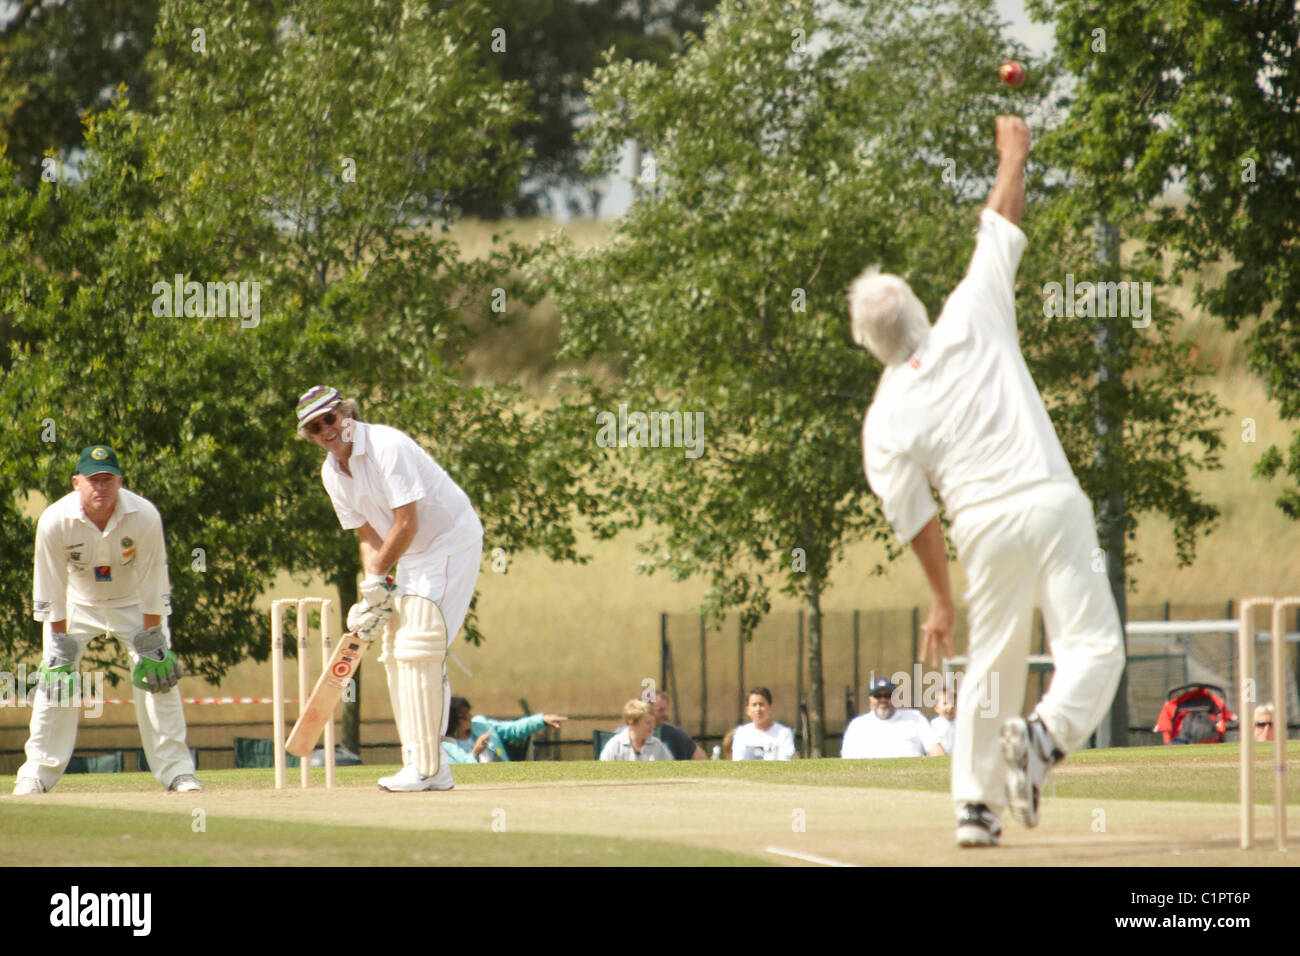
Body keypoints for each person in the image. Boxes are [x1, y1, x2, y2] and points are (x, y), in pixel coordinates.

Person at [851, 115, 1125, 847]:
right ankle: (1046, 735)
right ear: (916, 304)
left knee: (992, 663)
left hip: (983, 527)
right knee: (1095, 649)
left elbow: (915, 520)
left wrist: (941, 599)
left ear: (866, 345)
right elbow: (1000, 222)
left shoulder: (885, 418)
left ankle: (976, 810)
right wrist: (1015, 153)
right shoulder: (973, 308)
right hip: (1053, 500)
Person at [298, 385, 483, 792]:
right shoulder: (332, 473)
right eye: (314, 427)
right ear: (309, 435)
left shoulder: (387, 445)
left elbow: (406, 523)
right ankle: (423, 765)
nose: (326, 430)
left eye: (330, 419)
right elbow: (367, 534)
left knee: (421, 647)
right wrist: (374, 587)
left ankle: (429, 767)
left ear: (346, 413)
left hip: (450, 540)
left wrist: (377, 577)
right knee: (397, 653)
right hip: (415, 555)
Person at [14, 445, 200, 794]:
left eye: (108, 480)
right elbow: (50, 586)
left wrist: (151, 640)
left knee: (160, 679)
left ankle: (178, 772)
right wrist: (59, 648)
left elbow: (154, 579)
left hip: (133, 603)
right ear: (76, 483)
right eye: (93, 480)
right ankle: (35, 774)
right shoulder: (55, 520)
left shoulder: (144, 515)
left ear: (119, 481)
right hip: (77, 603)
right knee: (55, 682)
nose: (101, 488)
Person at [442, 696, 567, 763]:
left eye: (468, 713)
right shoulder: (446, 746)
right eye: (463, 715)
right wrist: (476, 752)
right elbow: (460, 773)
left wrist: (541, 720)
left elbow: (512, 728)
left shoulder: (481, 725)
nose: (469, 717)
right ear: (452, 719)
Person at [841, 678, 945, 758]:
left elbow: (936, 750)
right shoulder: (857, 725)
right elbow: (847, 758)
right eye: (877, 696)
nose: (883, 700)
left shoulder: (915, 718)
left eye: (887, 695)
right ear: (870, 698)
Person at [730, 687, 796, 761]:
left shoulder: (784, 733)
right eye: (754, 705)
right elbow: (737, 761)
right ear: (747, 710)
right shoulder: (741, 733)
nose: (758, 709)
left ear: (770, 707)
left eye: (761, 705)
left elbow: (785, 762)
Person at [600, 699, 674, 761]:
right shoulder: (615, 745)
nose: (652, 726)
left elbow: (671, 769)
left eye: (653, 722)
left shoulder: (658, 746)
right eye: (648, 723)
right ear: (632, 722)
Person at [653, 691, 706, 760]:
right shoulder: (636, 736)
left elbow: (701, 757)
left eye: (665, 709)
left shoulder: (676, 735)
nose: (665, 714)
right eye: (660, 710)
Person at [931, 687, 956, 754]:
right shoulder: (934, 724)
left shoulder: (960, 723)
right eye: (945, 703)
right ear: (936, 708)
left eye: (953, 703)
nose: (950, 706)